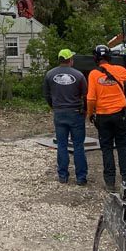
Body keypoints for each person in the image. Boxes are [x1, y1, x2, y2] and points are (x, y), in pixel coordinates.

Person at [86, 44, 126, 190]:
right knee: (122, 146)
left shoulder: (93, 74)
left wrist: (90, 115)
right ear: (109, 56)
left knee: (106, 148)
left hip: (103, 116)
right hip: (120, 114)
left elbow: (90, 99)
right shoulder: (118, 70)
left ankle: (110, 181)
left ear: (95, 58)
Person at [43, 49, 88, 185]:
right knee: (78, 146)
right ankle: (81, 178)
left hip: (59, 113)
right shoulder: (79, 75)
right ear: (70, 60)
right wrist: (85, 110)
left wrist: (53, 106)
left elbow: (46, 95)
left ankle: (63, 176)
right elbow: (85, 96)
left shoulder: (49, 74)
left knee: (61, 145)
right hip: (75, 113)